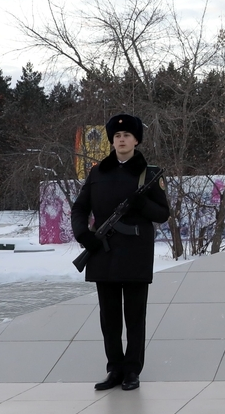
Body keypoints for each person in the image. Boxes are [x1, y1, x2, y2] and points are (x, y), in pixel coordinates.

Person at [71, 113, 169, 391]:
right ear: (112, 141)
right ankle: (114, 368)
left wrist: (142, 206)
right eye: (117, 136)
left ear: (136, 140)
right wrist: (84, 235)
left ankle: (132, 371)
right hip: (103, 252)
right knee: (109, 317)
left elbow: (163, 213)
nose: (121, 140)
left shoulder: (149, 175)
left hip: (136, 254)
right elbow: (80, 208)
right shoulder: (97, 172)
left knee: (135, 316)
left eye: (127, 136)